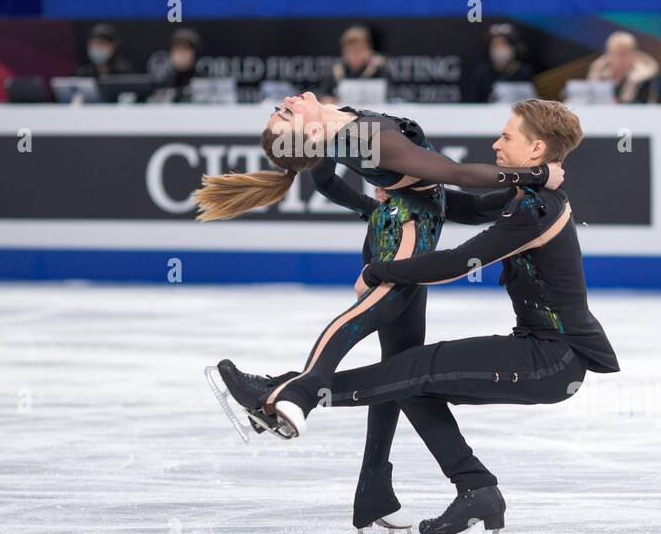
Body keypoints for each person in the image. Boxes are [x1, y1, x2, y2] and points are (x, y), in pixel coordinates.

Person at [219, 100, 618, 534]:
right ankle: (477, 489)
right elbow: (459, 204)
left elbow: (455, 263)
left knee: (412, 371)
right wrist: (404, 200)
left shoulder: (537, 208)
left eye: (507, 137)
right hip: (536, 349)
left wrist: (380, 271)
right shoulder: (524, 197)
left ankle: (289, 390)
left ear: (537, 148)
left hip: (553, 360)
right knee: (409, 381)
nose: (495, 143)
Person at [195, 91, 564, 443]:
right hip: (407, 231)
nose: (289, 102)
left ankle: (374, 494)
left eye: (280, 108)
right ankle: (297, 393)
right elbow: (458, 175)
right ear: (308, 133)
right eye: (288, 114)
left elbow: (324, 182)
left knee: (398, 369)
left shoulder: (332, 129)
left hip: (399, 222)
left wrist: (375, 210)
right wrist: (536, 176)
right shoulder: (364, 140)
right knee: (369, 317)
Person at [463, 23, 536, 103]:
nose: (500, 49)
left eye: (504, 44)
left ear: (513, 48)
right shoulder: (481, 73)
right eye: (495, 45)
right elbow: (472, 103)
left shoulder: (525, 72)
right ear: (488, 49)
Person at [587, 31, 659, 103]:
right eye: (615, 54)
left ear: (633, 54)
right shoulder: (598, 73)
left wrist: (619, 105)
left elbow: (645, 107)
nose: (619, 60)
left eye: (624, 55)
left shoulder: (645, 77)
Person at [327, 24, 388, 97]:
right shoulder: (337, 71)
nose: (356, 55)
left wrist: (372, 67)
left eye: (360, 50)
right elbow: (324, 95)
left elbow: (390, 95)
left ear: (368, 50)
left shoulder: (378, 68)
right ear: (344, 52)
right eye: (351, 50)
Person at [152, 28, 200, 103]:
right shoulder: (160, 81)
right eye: (178, 49)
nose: (181, 55)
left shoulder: (201, 79)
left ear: (193, 53)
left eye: (185, 49)